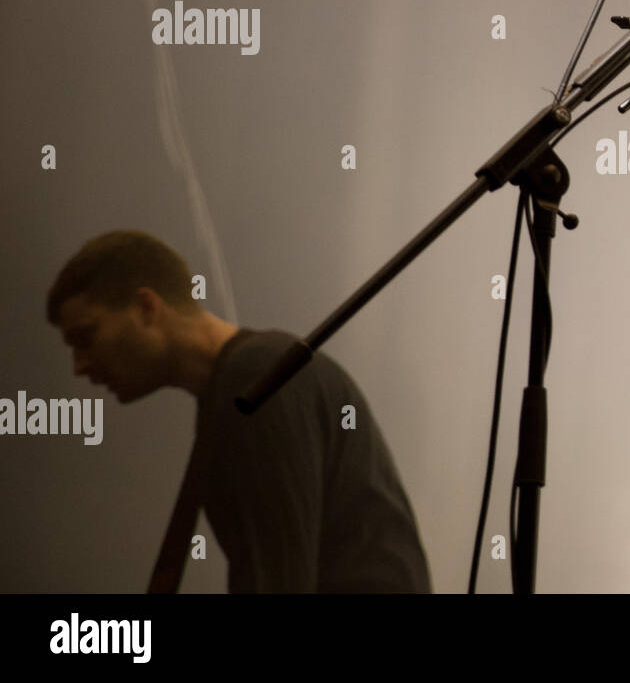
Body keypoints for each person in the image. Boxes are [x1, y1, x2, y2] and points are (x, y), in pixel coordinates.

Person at [47, 230, 432, 593]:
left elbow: (279, 583)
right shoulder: (243, 383)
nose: (79, 366)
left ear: (146, 307)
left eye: (85, 337)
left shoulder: (257, 380)